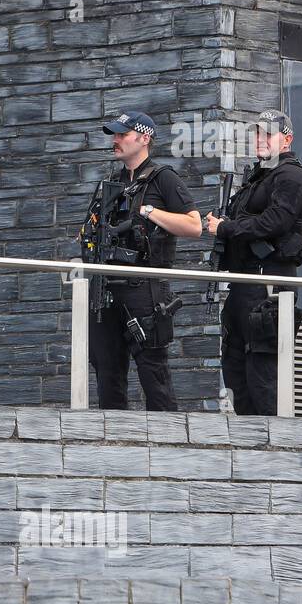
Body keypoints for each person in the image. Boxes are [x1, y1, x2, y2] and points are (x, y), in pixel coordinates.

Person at [85, 110, 202, 410]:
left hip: (145, 288)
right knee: (107, 373)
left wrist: (150, 212)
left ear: (144, 137)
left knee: (154, 374)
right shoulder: (112, 183)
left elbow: (194, 226)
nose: (116, 140)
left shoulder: (163, 178)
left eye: (122, 134)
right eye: (115, 134)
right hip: (108, 287)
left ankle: (168, 447)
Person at [205, 110, 302, 416]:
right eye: (257, 133)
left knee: (264, 379)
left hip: (270, 285)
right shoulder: (257, 178)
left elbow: (276, 222)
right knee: (236, 371)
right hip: (245, 285)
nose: (261, 139)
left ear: (286, 139)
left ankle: (277, 454)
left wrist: (226, 227)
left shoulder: (292, 176)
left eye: (268, 134)